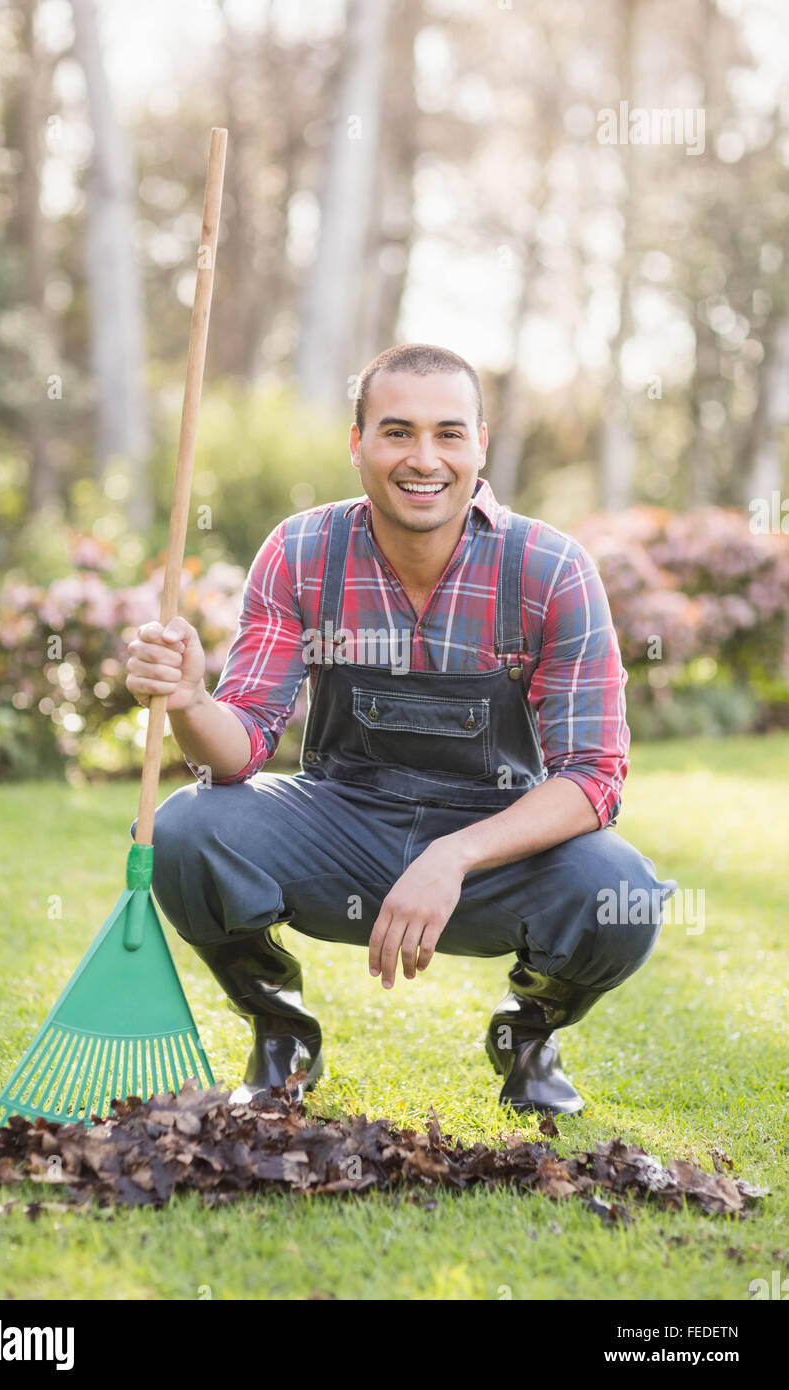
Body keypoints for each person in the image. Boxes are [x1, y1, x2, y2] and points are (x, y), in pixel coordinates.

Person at [126, 343, 676, 1115]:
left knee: (622, 893)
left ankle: (531, 1032)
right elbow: (238, 749)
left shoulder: (550, 569)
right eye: (396, 432)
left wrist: (454, 855)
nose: (424, 458)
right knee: (184, 828)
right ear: (357, 445)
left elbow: (593, 779)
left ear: (480, 444)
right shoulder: (301, 552)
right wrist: (187, 699)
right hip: (341, 826)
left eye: (449, 433)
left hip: (492, 847)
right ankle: (280, 1028)